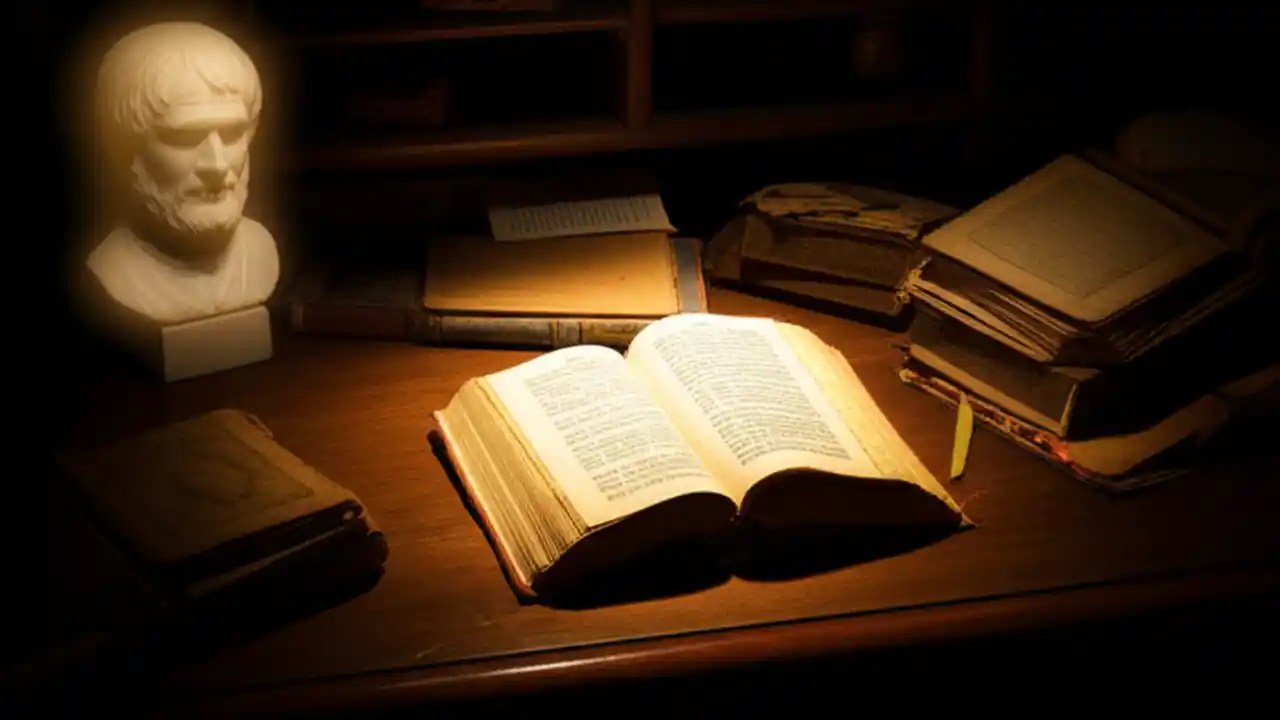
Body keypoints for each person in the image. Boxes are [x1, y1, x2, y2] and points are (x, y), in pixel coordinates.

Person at [84, 21, 278, 325]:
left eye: (232, 134)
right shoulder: (113, 270)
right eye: (184, 138)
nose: (216, 164)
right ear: (125, 148)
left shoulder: (260, 254)